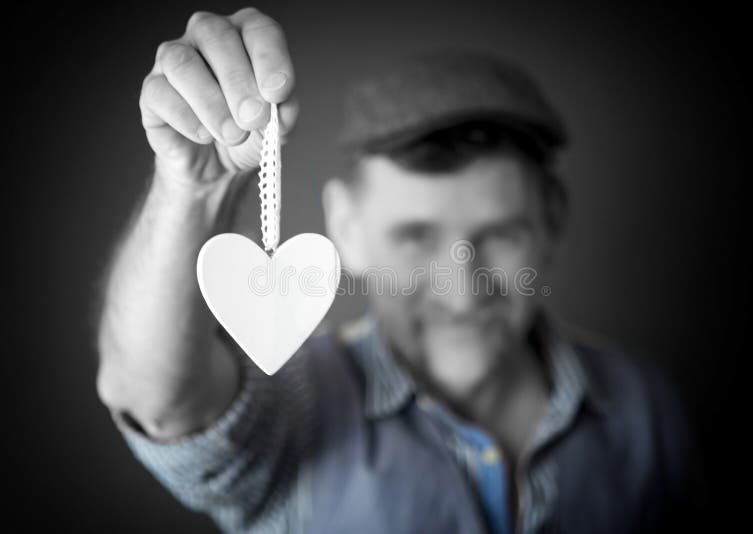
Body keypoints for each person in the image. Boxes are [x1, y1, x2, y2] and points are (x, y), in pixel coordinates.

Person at [95, 7, 699, 533]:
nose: (462, 289)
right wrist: (191, 192)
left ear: (551, 222)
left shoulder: (646, 407)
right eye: (415, 237)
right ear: (348, 230)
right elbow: (161, 403)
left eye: (500, 236)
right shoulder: (296, 411)